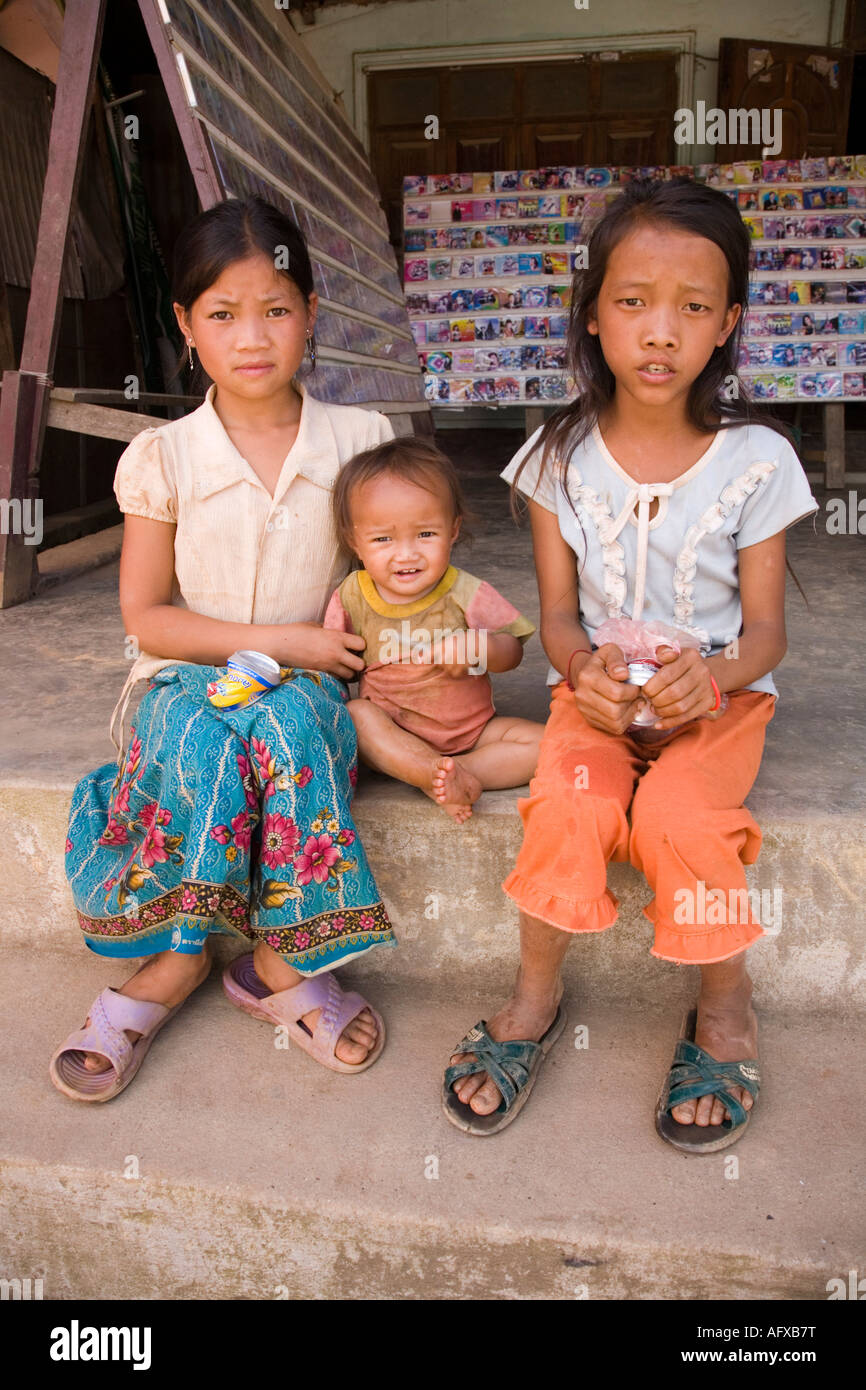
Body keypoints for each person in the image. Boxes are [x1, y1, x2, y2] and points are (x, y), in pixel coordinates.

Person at [442, 177, 817, 1150]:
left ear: (727, 322)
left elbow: (766, 635)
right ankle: (530, 999)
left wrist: (716, 677)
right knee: (569, 799)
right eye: (633, 302)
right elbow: (559, 619)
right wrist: (584, 674)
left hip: (718, 702)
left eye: (692, 307)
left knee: (678, 812)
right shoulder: (554, 458)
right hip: (594, 699)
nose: (660, 332)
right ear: (593, 313)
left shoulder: (758, 459)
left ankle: (723, 1008)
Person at [52, 197, 398, 1102]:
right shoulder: (163, 455)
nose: (253, 337)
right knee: (207, 739)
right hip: (181, 678)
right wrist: (274, 640)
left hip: (310, 685)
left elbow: (395, 584)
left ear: (312, 313)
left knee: (282, 733)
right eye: (222, 314)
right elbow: (148, 618)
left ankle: (282, 960)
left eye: (277, 308)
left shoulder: (362, 444)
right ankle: (179, 958)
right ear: (185, 325)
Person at [324, 439, 544, 824]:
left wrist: (479, 648)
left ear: (453, 529)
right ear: (353, 541)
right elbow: (332, 664)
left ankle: (455, 775)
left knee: (548, 743)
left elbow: (513, 653)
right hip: (393, 735)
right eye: (383, 539)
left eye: (425, 534)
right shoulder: (352, 596)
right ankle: (425, 769)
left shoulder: (465, 591)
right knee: (358, 716)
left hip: (475, 733)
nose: (406, 553)